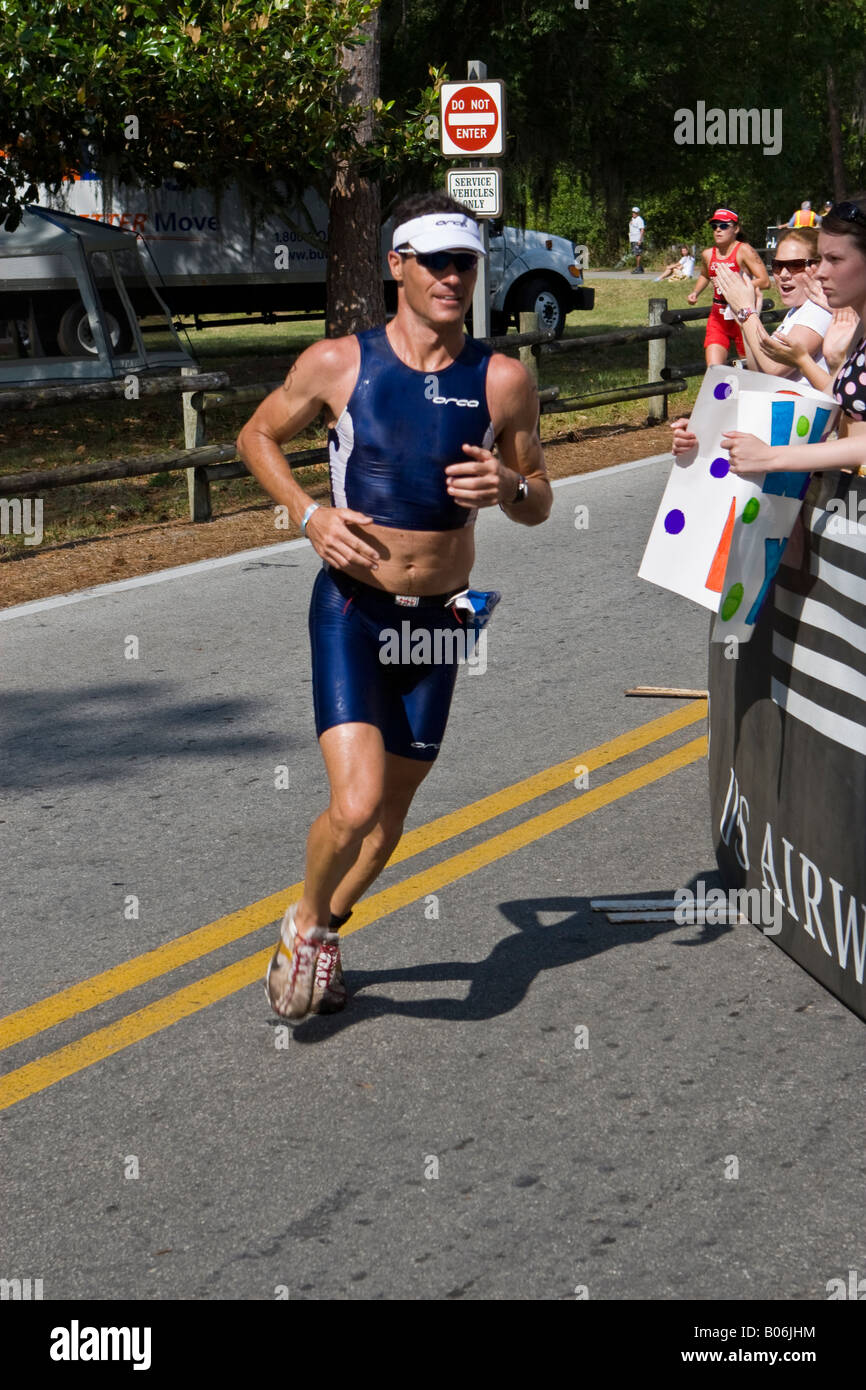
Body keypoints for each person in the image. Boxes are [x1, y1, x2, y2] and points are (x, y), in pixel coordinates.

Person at [236, 192, 551, 1021]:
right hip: (353, 606)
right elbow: (256, 436)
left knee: (390, 820)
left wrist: (510, 485)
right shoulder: (339, 363)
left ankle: (327, 927)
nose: (453, 277)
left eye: (466, 263)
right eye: (437, 261)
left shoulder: (504, 379)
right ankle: (303, 923)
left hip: (444, 618)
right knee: (356, 803)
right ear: (397, 266)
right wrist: (310, 515)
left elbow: (541, 496)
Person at [672, 198, 866, 478]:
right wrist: (706, 430)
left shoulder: (820, 314)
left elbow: (775, 368)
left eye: (834, 259)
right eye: (777, 266)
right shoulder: (849, 325)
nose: (821, 272)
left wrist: (746, 312)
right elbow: (822, 411)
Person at [687, 207, 770, 365]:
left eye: (724, 226)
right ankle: (720, 389)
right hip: (718, 317)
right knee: (714, 369)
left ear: (736, 229)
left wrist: (737, 289)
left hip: (743, 315)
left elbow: (764, 281)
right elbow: (705, 275)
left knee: (750, 367)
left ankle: (744, 389)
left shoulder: (744, 250)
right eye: (715, 226)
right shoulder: (707, 254)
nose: (718, 230)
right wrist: (695, 292)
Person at [628, 206, 645, 274]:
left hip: (637, 239)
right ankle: (640, 268)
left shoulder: (639, 219)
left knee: (638, 254)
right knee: (636, 254)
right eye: (633, 212)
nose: (634, 213)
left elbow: (642, 230)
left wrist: (640, 240)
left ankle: (638, 268)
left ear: (638, 213)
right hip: (633, 239)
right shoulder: (632, 219)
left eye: (635, 212)